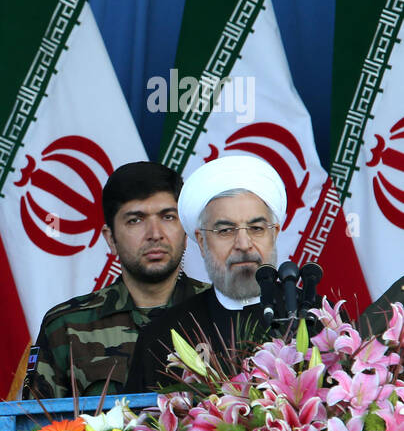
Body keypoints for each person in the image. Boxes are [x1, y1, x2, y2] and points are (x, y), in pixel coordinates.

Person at [24, 162, 209, 399]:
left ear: (185, 231)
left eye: (168, 217)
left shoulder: (220, 311)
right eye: (135, 220)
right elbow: (34, 427)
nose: (155, 233)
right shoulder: (65, 326)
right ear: (110, 238)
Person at [124, 156, 285, 392]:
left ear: (275, 234)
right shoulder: (164, 335)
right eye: (226, 230)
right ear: (201, 241)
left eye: (257, 228)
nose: (243, 244)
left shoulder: (314, 320)